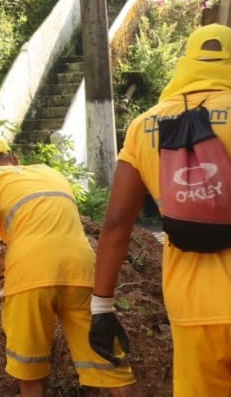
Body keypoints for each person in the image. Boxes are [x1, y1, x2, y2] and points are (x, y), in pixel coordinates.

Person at [93, 23, 231, 396]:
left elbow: (118, 223)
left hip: (193, 306)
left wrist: (101, 306)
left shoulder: (144, 126)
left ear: (185, 64)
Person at [0, 137, 138, 397]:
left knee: (31, 373)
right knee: (113, 366)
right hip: (85, 272)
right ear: (15, 159)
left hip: (30, 275)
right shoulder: (49, 173)